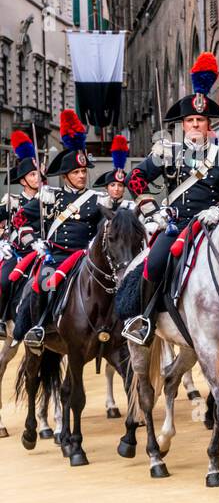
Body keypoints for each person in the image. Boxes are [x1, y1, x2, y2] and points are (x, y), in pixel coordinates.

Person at [121, 53, 219, 345]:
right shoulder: (167, 151)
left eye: (201, 120)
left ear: (208, 123)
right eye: (190, 120)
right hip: (176, 225)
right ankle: (145, 319)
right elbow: (134, 179)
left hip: (212, 225)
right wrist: (152, 211)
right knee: (155, 262)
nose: (196, 125)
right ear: (183, 124)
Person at [10, 111, 114, 350]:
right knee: (40, 284)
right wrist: (33, 241)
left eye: (83, 172)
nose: (81, 176)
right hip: (56, 255)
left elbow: (108, 223)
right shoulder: (49, 198)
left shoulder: (97, 199)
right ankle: (37, 326)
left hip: (85, 256)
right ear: (66, 175)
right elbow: (20, 218)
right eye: (76, 172)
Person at [0, 130, 44, 334]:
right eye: (32, 175)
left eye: (38, 173)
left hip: (43, 249)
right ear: (23, 181)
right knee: (4, 280)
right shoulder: (12, 201)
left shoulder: (48, 199)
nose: (37, 178)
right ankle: (1, 318)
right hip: (17, 251)